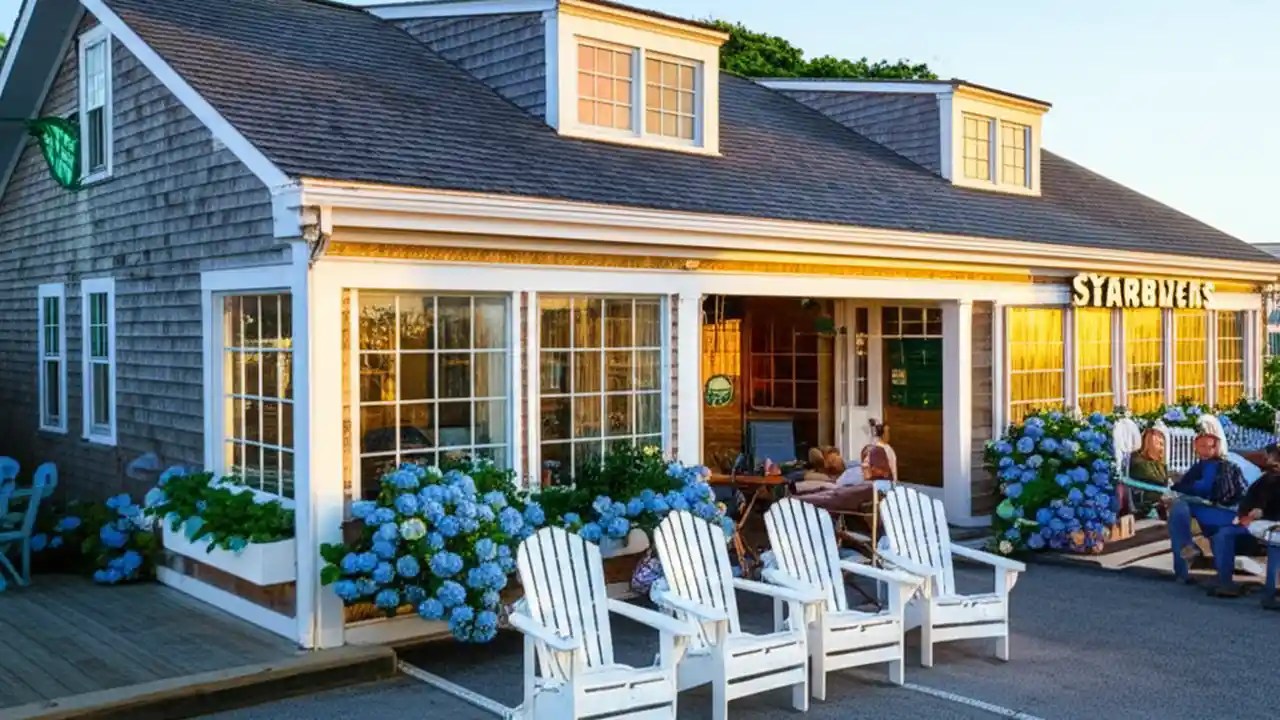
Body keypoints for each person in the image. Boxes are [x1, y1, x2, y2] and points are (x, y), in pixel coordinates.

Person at [1164, 432, 1248, 583]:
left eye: (1206, 446)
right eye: (1199, 446)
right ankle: (1185, 557)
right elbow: (1182, 487)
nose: (1202, 450)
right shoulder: (1198, 468)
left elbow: (1240, 495)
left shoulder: (1228, 467)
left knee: (1220, 533)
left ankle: (1223, 581)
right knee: (1178, 508)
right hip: (1202, 510)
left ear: (1215, 448)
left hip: (1225, 512)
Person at [1206, 443, 1280, 599]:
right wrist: (1247, 514)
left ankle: (1271, 592)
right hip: (1256, 525)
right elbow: (1248, 503)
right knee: (1223, 534)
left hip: (1274, 525)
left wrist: (1263, 512)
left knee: (1275, 539)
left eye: (1274, 456)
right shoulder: (1264, 479)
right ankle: (1225, 582)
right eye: (1271, 455)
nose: (1271, 459)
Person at [1127, 426, 1169, 517]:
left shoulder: (1161, 465)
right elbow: (1157, 481)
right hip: (1144, 508)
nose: (1161, 448)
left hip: (1158, 505)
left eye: (1162, 444)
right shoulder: (1138, 462)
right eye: (1158, 444)